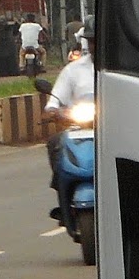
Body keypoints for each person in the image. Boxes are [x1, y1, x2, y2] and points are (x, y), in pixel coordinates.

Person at [44, 19, 95, 221]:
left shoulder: (124, 66)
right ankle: (63, 197)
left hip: (118, 129)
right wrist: (57, 113)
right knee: (55, 143)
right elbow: (53, 104)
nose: (95, 45)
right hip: (81, 129)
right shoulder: (73, 70)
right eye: (91, 41)